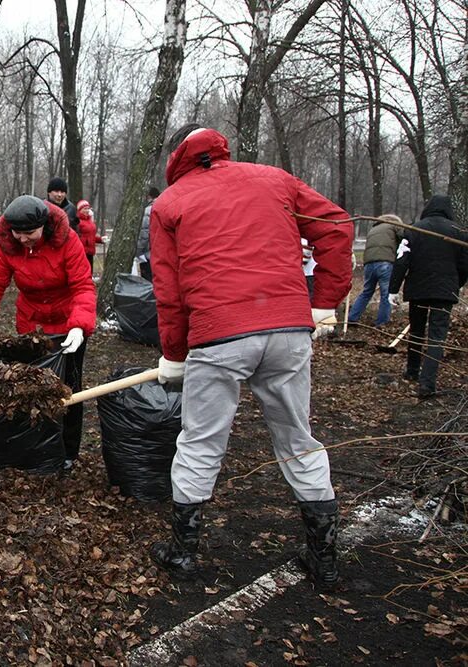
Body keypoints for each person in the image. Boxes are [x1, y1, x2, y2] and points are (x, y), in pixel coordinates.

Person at [148, 124, 353, 590]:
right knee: (298, 438)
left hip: (218, 336)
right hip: (287, 330)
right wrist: (322, 302)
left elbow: (170, 290)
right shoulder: (275, 179)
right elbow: (337, 227)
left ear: (175, 158)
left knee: (201, 440)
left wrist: (175, 355)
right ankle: (324, 560)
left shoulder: (169, 204)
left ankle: (183, 553)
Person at [0, 195, 96, 469]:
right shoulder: (8, 249)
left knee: (69, 389)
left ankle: (67, 451)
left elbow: (83, 286)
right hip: (32, 327)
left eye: (29, 233)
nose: (23, 239)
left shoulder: (68, 242)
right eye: (17, 234)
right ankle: (34, 447)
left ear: (44, 225)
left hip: (68, 328)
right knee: (32, 390)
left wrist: (79, 325)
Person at [388, 195, 468, 400]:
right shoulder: (458, 232)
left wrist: (393, 289)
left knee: (416, 330)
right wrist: (454, 285)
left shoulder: (415, 229)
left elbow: (401, 260)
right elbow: (465, 265)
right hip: (444, 291)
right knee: (437, 336)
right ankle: (427, 383)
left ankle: (412, 370)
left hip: (418, 289)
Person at [347, 215, 403, 327]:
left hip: (368, 264)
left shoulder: (373, 229)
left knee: (367, 292)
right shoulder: (395, 226)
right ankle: (382, 322)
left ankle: (352, 317)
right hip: (385, 263)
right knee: (386, 294)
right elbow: (404, 240)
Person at [133, 186, 160, 279]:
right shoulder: (166, 207)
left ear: (149, 196)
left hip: (148, 255)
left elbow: (144, 234)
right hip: (162, 254)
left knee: (148, 283)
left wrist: (138, 252)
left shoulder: (148, 211)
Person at [76, 199, 102, 273]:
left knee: (90, 272)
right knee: (83, 272)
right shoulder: (78, 221)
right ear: (80, 210)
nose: (87, 210)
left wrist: (100, 240)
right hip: (82, 252)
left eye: (88, 208)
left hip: (90, 251)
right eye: (85, 208)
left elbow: (91, 236)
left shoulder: (89, 220)